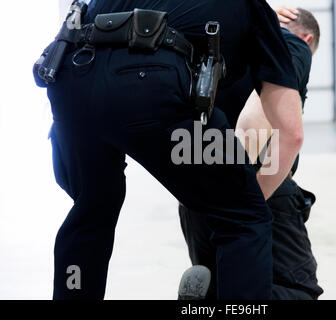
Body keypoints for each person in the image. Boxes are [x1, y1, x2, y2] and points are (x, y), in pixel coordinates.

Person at [44, 0, 304, 300]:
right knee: (244, 220)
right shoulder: (255, 11)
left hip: (69, 77)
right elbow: (291, 133)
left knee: (91, 210)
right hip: (151, 81)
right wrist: (249, 199)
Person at [179, 6, 324, 300]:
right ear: (308, 39)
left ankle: (207, 297)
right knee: (297, 290)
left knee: (224, 280)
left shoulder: (227, 44)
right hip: (256, 183)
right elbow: (257, 116)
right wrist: (244, 200)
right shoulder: (291, 44)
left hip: (196, 188)